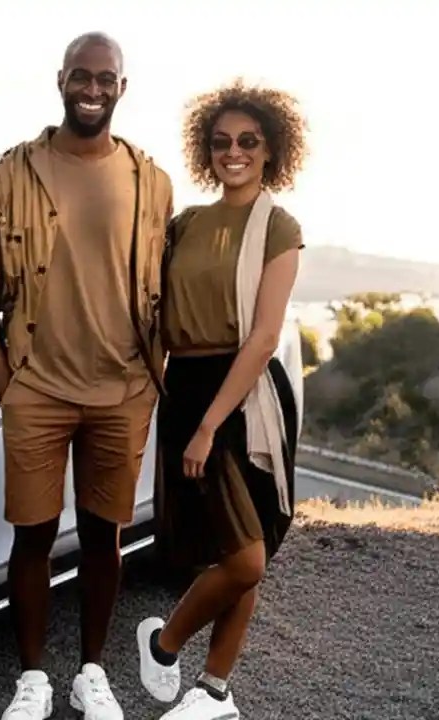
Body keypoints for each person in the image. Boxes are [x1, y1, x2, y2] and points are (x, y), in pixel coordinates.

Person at [0, 31, 174, 720]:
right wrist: (3, 377)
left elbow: (163, 287)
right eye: (80, 77)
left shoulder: (151, 180)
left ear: (121, 87)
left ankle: (90, 672)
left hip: (122, 389)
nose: (92, 89)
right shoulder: (10, 174)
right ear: (61, 80)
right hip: (38, 387)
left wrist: (159, 372)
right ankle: (32, 679)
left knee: (103, 535)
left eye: (104, 78)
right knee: (31, 532)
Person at [135, 79, 308, 719]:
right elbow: (141, 295)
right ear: (207, 150)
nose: (233, 152)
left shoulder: (278, 225)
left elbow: (263, 337)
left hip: (246, 394)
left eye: (247, 142)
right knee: (240, 556)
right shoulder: (186, 224)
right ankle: (214, 691)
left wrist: (210, 425)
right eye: (220, 142)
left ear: (270, 151)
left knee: (248, 556)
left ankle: (168, 648)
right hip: (188, 385)